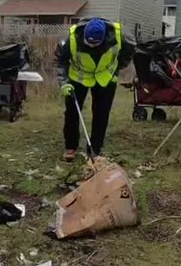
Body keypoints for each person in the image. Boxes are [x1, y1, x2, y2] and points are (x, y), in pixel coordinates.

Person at [56, 18, 134, 161]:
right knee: (72, 112)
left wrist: (116, 69)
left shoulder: (119, 36)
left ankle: (95, 149)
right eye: (88, 42)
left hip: (105, 78)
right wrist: (64, 83)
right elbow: (61, 60)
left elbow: (128, 53)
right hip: (78, 78)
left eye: (95, 43)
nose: (91, 46)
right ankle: (71, 146)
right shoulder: (72, 38)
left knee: (101, 114)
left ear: (103, 38)